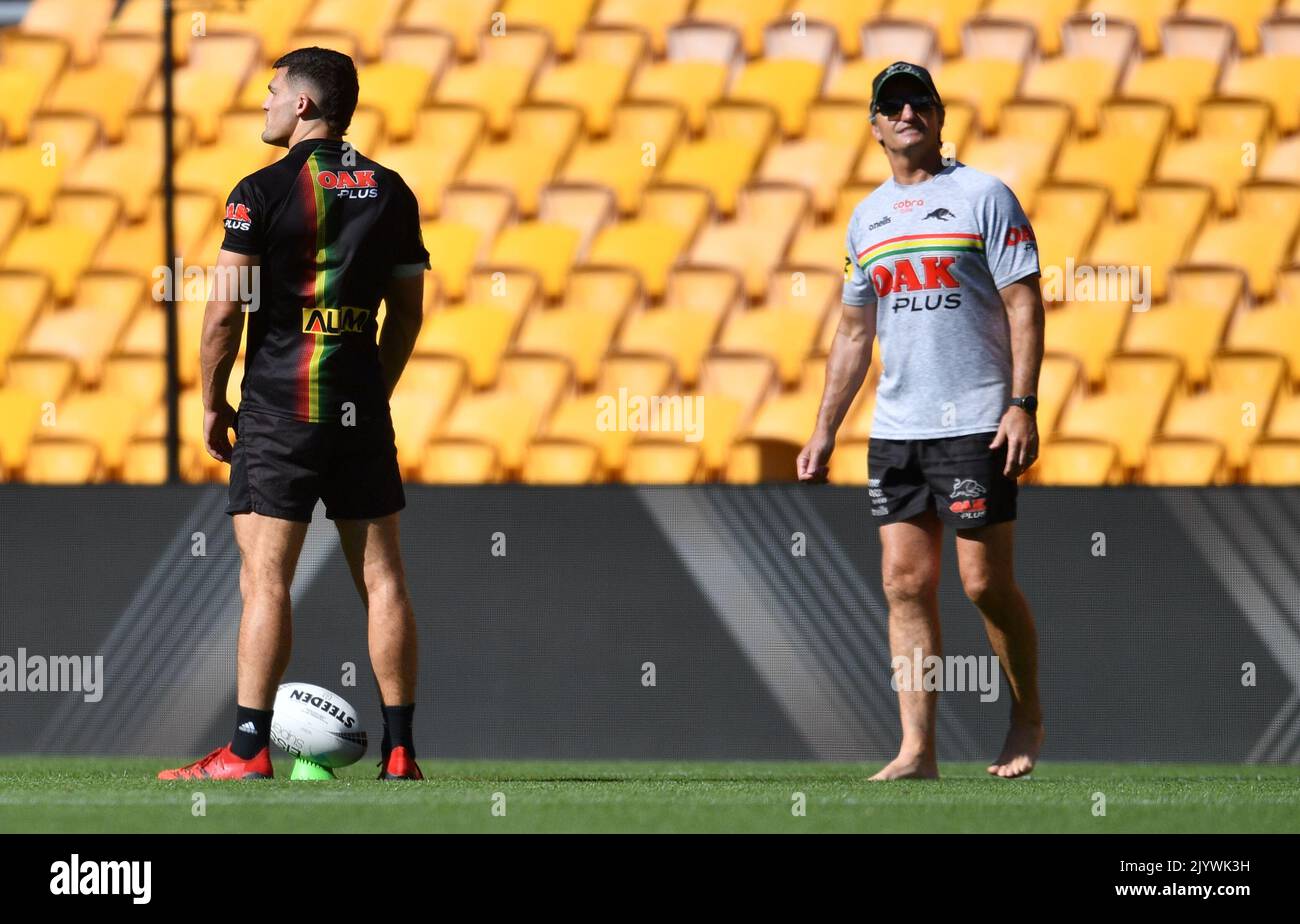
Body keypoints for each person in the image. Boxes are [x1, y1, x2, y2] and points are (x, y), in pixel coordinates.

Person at [159, 47, 429, 781]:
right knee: (383, 578)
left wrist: (213, 404)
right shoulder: (391, 191)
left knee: (265, 579)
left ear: (304, 106)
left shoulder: (259, 191)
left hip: (279, 412)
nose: (266, 104)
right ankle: (401, 750)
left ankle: (248, 750)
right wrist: (375, 384)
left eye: (274, 92)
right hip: (358, 412)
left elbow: (223, 316)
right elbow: (407, 311)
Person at [797, 62, 1045, 780]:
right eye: (892, 105)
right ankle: (917, 750)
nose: (907, 113)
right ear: (874, 126)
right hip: (898, 426)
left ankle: (1026, 718)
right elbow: (852, 333)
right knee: (904, 584)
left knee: (981, 583)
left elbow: (1025, 303)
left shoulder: (984, 197)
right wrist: (824, 429)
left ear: (939, 117)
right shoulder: (867, 217)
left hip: (976, 417)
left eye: (920, 102)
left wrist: (1021, 403)